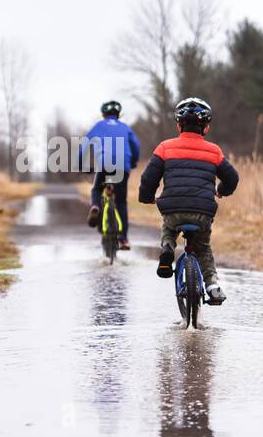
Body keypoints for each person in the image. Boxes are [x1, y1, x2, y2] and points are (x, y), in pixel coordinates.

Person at [136, 96, 239, 305]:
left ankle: (167, 248)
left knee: (168, 227)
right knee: (203, 248)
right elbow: (232, 177)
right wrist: (221, 190)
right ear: (206, 128)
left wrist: (146, 197)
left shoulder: (165, 148)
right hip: (203, 211)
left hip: (172, 208)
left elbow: (148, 178)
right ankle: (212, 285)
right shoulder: (214, 151)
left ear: (178, 125)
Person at [81, 100, 141, 248]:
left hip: (104, 164)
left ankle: (95, 206)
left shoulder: (99, 126)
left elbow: (85, 144)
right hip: (123, 166)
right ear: (118, 114)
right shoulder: (125, 127)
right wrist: (133, 162)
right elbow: (136, 146)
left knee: (96, 189)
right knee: (121, 201)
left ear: (104, 114)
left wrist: (82, 164)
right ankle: (124, 239)